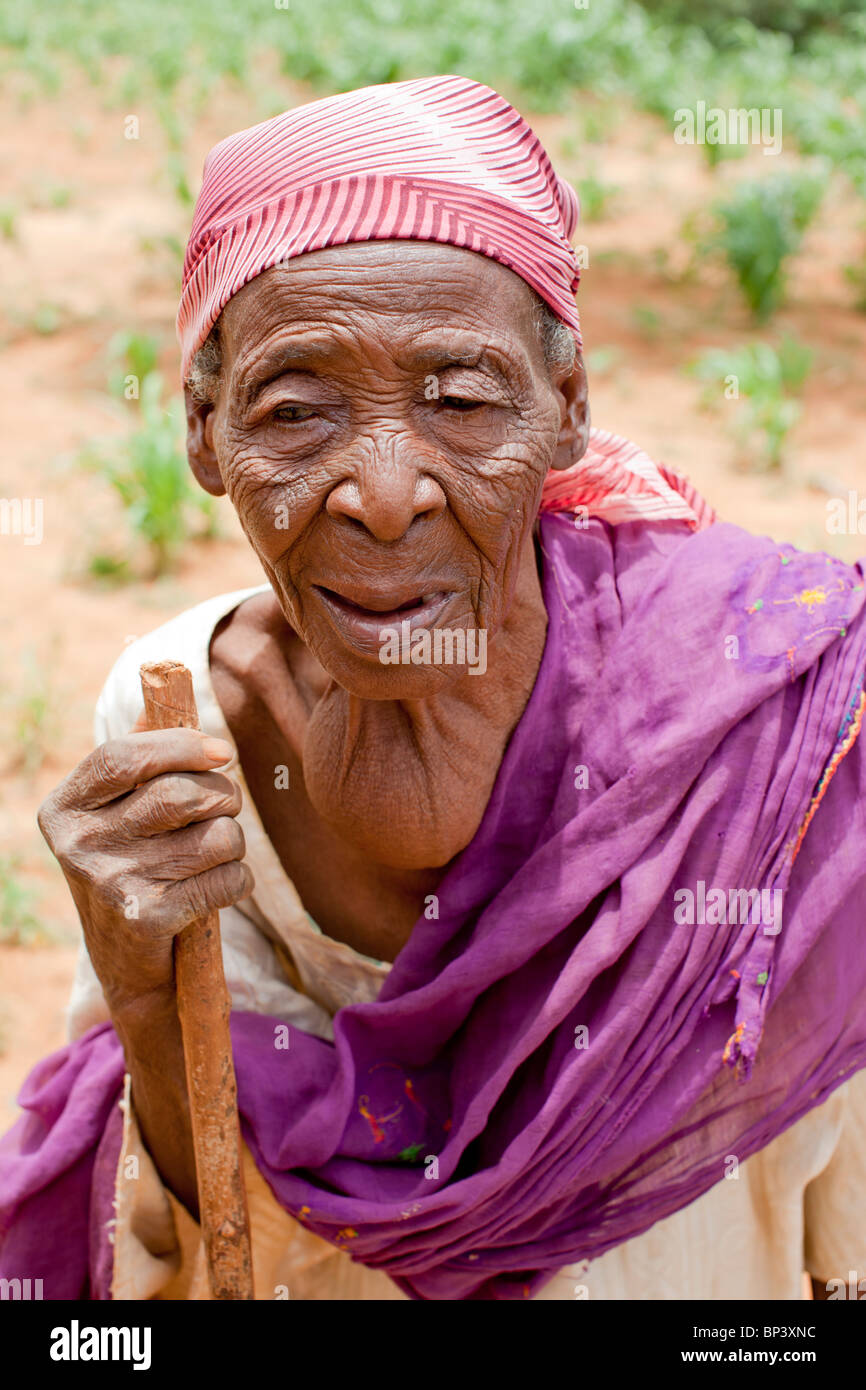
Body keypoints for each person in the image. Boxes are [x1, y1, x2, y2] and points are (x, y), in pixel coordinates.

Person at [1, 75, 865, 1302]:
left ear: (566, 410)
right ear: (201, 433)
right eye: (296, 412)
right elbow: (206, 1232)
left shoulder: (776, 709)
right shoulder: (176, 722)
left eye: (460, 401)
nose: (385, 492)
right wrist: (143, 990)